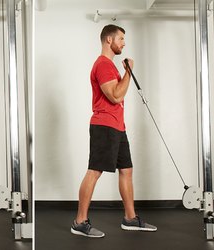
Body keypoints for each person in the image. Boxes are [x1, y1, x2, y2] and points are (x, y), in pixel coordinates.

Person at [70, 24, 157, 238]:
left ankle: (130, 218)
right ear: (109, 40)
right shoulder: (103, 65)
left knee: (126, 170)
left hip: (118, 126)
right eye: (121, 38)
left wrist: (125, 72)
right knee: (95, 171)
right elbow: (116, 96)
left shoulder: (110, 66)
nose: (124, 43)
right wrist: (129, 71)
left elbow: (117, 95)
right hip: (104, 125)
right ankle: (79, 222)